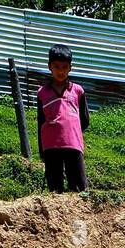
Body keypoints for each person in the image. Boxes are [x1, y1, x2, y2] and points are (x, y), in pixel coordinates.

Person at [37, 44, 90, 193]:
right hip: (50, 146)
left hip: (73, 144)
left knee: (79, 187)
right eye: (56, 67)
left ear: (70, 68)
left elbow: (84, 120)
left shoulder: (78, 91)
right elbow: (41, 122)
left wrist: (71, 131)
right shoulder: (42, 93)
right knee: (54, 187)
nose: (60, 71)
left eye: (64, 67)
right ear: (49, 67)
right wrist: (42, 149)